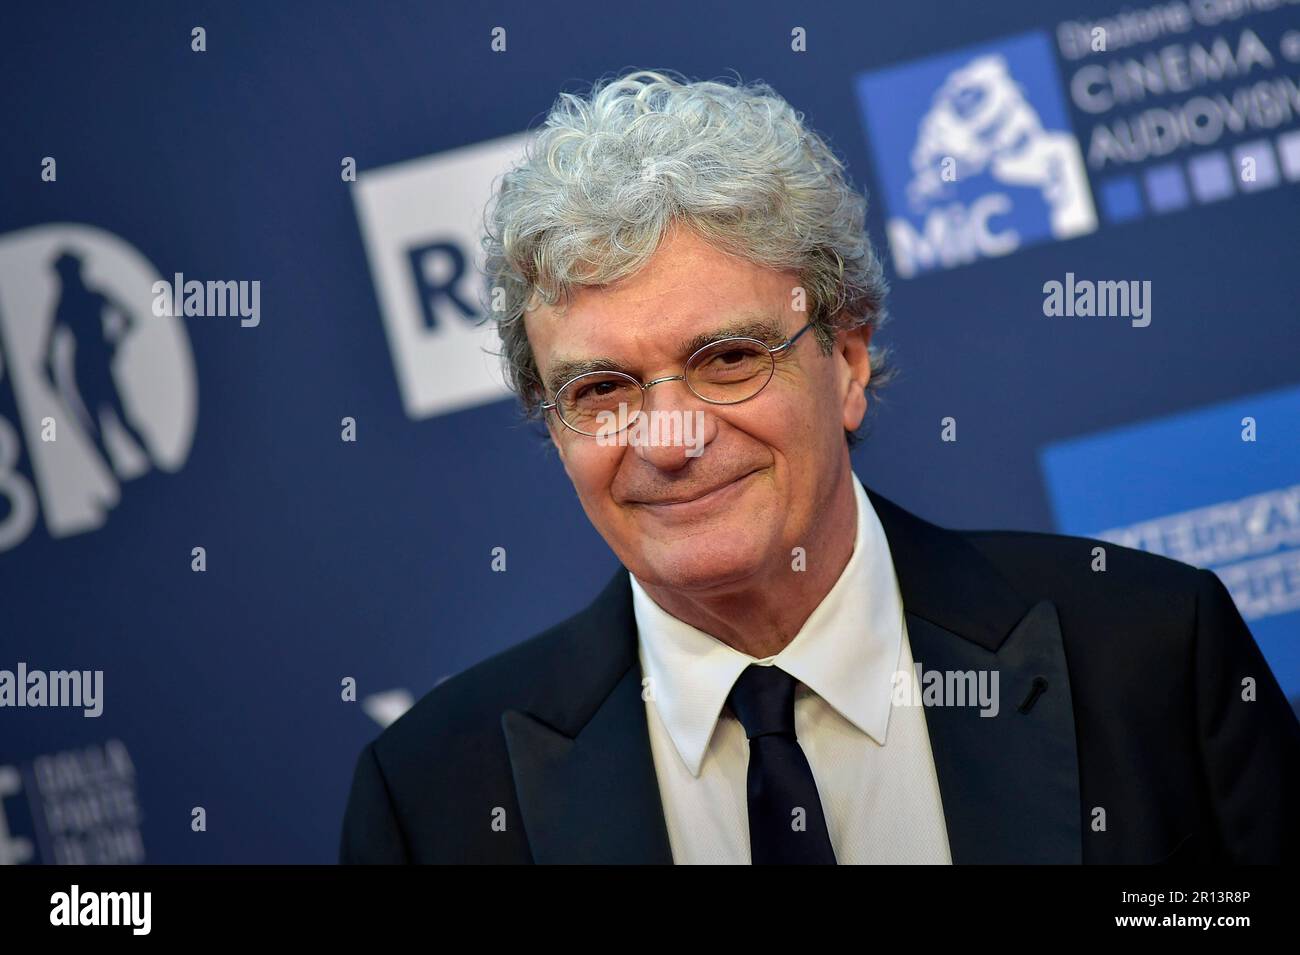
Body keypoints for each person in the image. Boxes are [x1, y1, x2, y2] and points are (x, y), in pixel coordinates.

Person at [340, 69, 1300, 864]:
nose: (670, 440)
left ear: (845, 363)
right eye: (601, 390)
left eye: (727, 359)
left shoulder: (1152, 657)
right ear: (554, 427)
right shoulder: (434, 801)